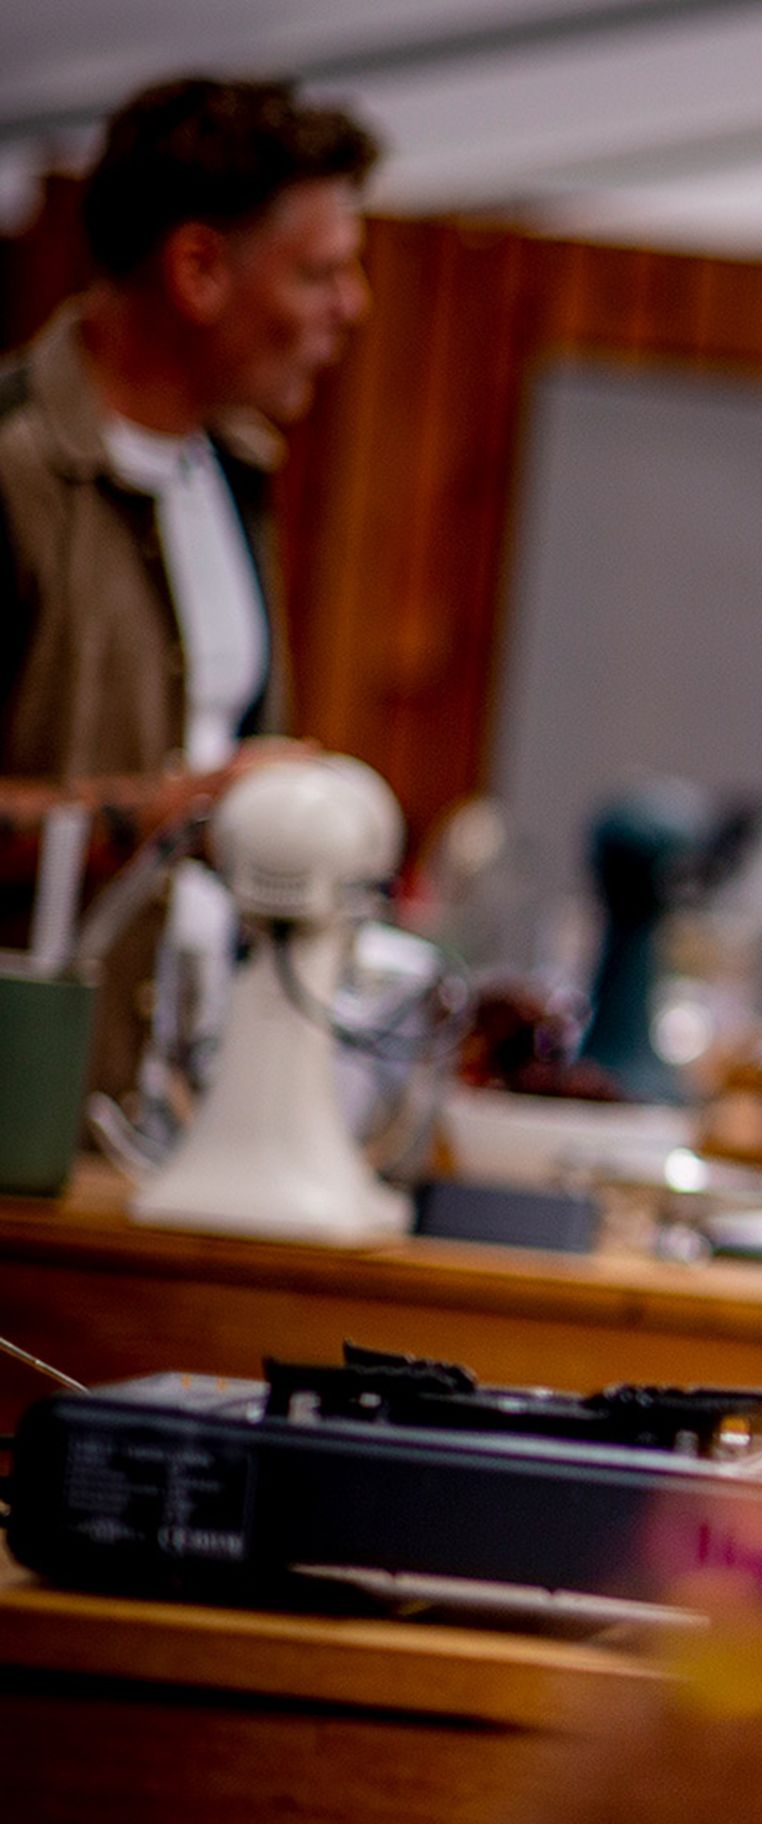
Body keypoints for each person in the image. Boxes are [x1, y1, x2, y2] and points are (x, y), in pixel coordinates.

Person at [1, 77, 374, 1088]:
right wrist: (181, 812)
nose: (354, 308)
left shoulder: (234, 472)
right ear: (199, 269)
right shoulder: (15, 471)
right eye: (321, 274)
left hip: (167, 1111)